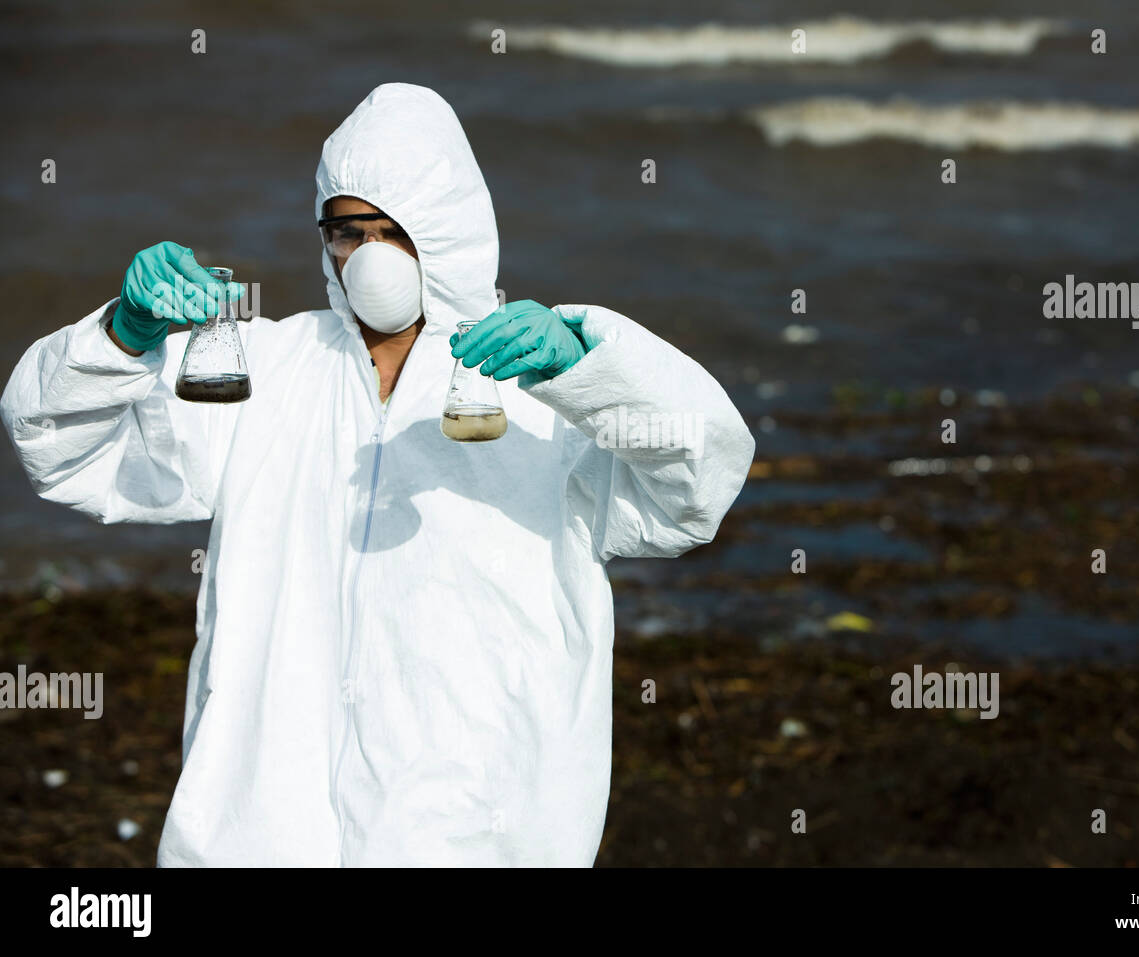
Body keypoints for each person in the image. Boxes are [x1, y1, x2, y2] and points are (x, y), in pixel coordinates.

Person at [0, 83, 755, 866]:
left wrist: (595, 366)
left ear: (448, 232)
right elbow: (64, 451)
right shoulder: (265, 368)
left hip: (475, 835)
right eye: (347, 231)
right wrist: (124, 337)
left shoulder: (540, 389)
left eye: (395, 232)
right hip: (258, 832)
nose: (369, 257)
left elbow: (696, 487)